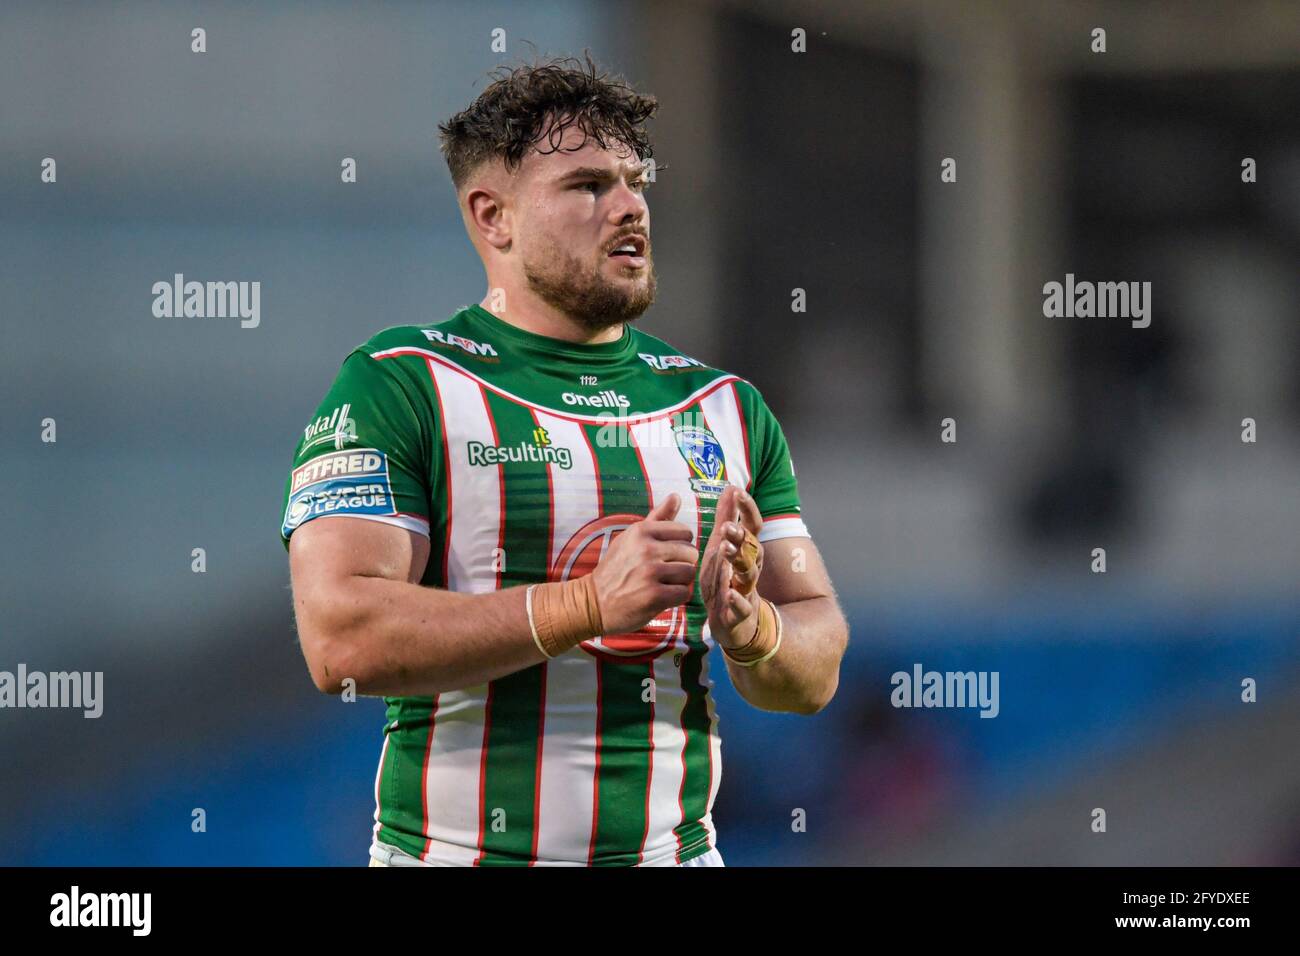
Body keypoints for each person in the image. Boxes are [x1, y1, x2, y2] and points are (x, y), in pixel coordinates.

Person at [281, 53, 849, 867]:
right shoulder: (401, 383)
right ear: (493, 216)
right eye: (588, 186)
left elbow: (816, 657)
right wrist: (582, 606)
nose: (630, 208)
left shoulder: (722, 406)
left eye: (635, 181)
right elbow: (340, 641)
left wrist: (753, 628)